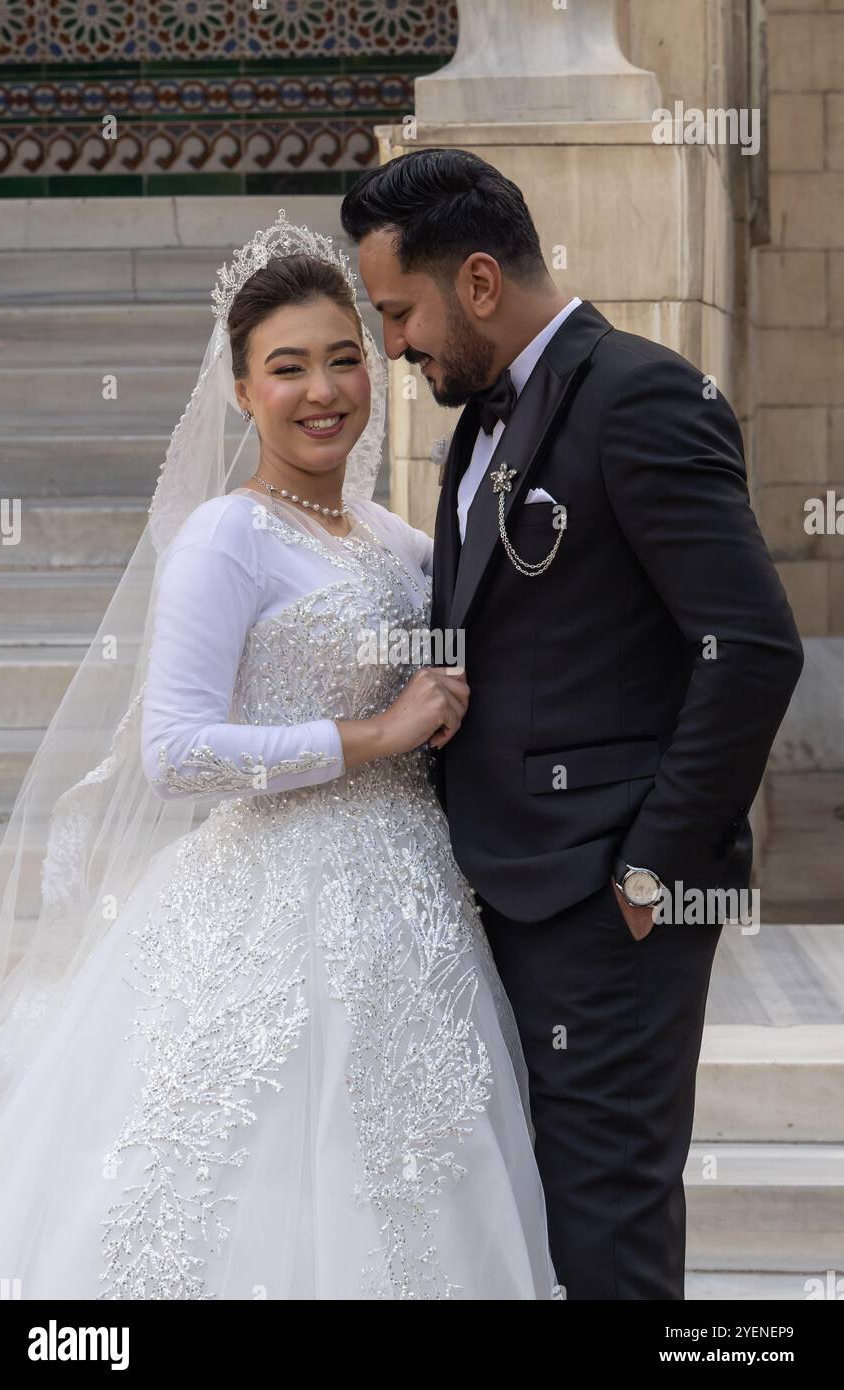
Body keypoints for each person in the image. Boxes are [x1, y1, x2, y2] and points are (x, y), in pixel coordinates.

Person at [0, 213, 560, 1301]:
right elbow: (175, 751)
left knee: (421, 1170)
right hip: (270, 904)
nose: (323, 390)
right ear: (242, 391)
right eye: (286, 368)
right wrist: (373, 735)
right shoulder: (223, 539)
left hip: (415, 906)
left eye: (345, 358)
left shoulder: (400, 544)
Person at [342, 148, 805, 1299]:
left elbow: (749, 646)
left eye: (399, 312)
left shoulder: (641, 394)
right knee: (539, 1219)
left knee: (604, 1230)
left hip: (606, 910)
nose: (392, 344)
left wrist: (648, 868)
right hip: (501, 889)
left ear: (481, 282)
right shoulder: (481, 419)